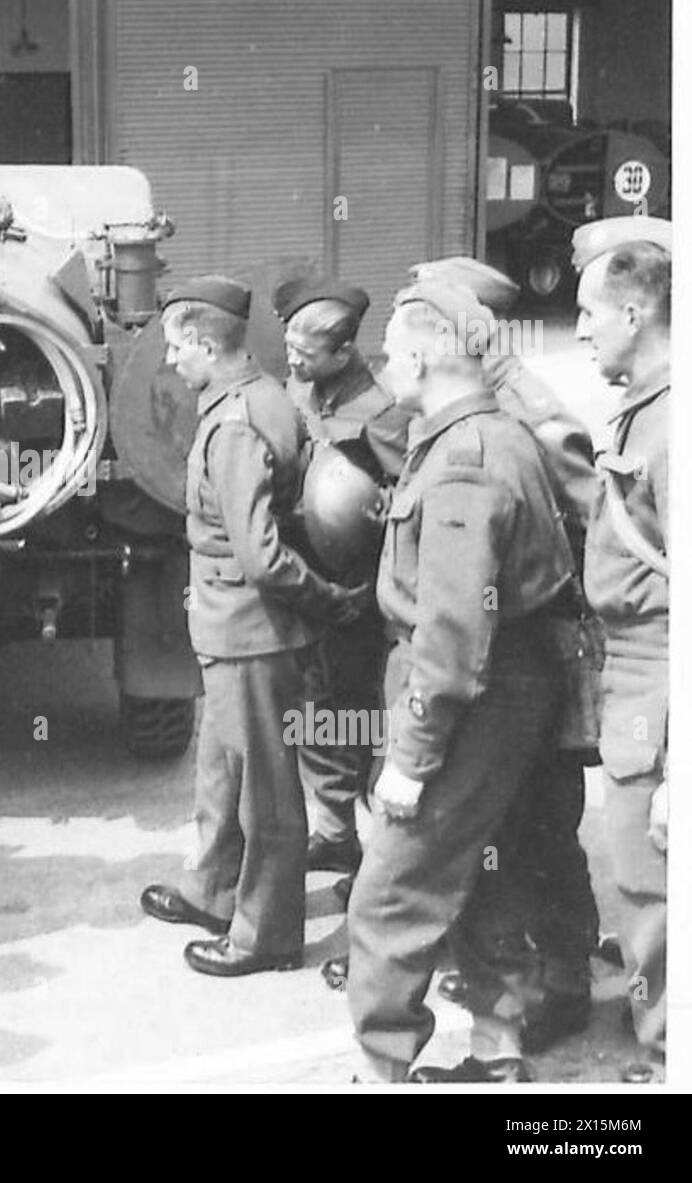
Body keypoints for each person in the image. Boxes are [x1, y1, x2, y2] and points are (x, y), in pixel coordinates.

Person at [346, 280, 574, 1083]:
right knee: (486, 865)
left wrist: (410, 760)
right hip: (507, 686)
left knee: (389, 892)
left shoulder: (463, 461)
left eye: (392, 350)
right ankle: (498, 1048)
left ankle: (380, 1069)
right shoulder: (491, 434)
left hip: (469, 693)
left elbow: (451, 635)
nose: (383, 363)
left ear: (424, 354)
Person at [139, 276, 367, 976]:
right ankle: (212, 889)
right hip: (230, 625)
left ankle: (267, 932)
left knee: (265, 788)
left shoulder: (237, 424)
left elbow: (263, 557)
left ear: (209, 346)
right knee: (220, 766)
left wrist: (329, 600)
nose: (171, 360)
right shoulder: (257, 395)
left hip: (251, 629)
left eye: (178, 347)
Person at [409, 256, 603, 1056]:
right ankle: (528, 964)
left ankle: (563, 980)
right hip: (509, 638)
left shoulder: (524, 408)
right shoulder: (481, 405)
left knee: (541, 820)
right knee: (517, 822)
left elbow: (594, 517)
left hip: (539, 642)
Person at [572, 216, 671, 1084]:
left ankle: (670, 1055)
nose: (578, 330)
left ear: (635, 312)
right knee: (638, 867)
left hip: (661, 668)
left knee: (651, 873)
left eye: (589, 314)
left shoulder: (672, 429)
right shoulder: (644, 411)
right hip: (635, 661)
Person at [272, 272, 408, 876]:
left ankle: (372, 862)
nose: (294, 363)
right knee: (314, 711)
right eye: (290, 351)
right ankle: (333, 831)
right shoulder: (295, 392)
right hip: (307, 585)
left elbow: (410, 503)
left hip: (357, 597)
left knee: (360, 716)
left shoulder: (382, 413)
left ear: (346, 352)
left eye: (308, 355)